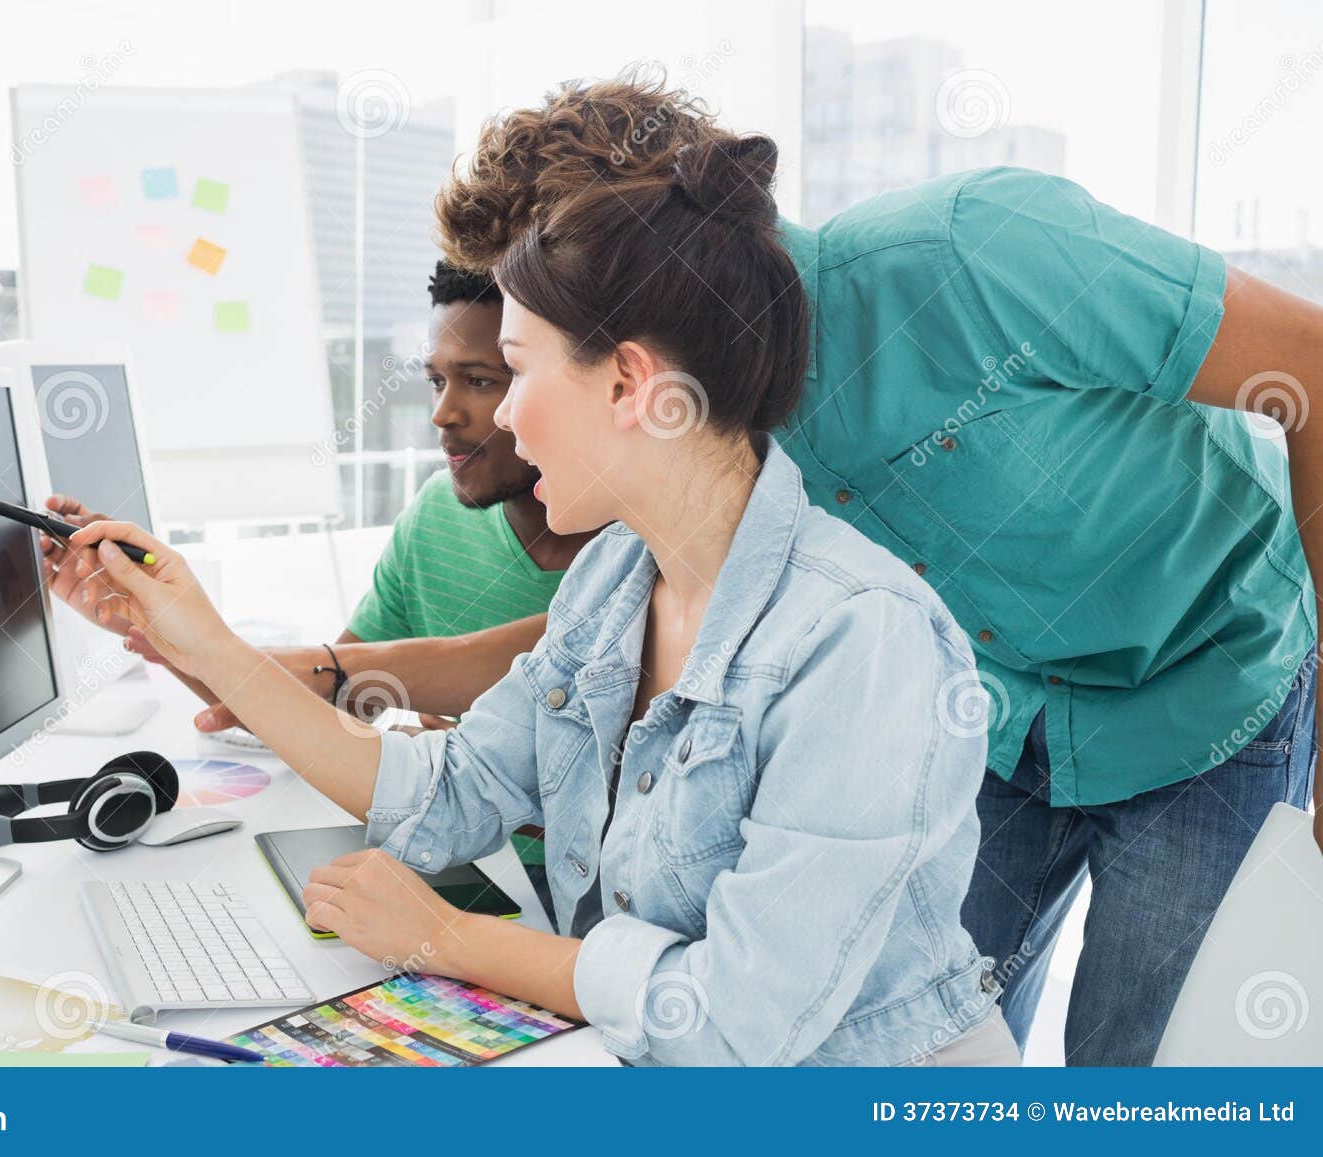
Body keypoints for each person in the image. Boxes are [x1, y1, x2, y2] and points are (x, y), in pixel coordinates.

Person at [284, 72, 1320, 1067]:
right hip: (996, 712)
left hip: (1212, 684)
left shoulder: (981, 251)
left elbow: (1308, 370)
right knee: (897, 1026)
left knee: (1142, 1079)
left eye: (556, 306)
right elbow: (600, 643)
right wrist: (339, 669)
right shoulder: (703, 434)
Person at [64, 133, 1019, 1066]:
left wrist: (448, 939)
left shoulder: (861, 639)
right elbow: (449, 790)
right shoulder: (614, 580)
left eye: (516, 369)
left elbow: (730, 1026)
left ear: (631, 384)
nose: (505, 413)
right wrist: (201, 635)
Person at [41, 261, 596, 922]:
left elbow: (328, 682)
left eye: (481, 380)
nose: (444, 413)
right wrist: (145, 615)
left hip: (558, 907)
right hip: (447, 865)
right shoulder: (434, 519)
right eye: (436, 381)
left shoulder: (637, 564)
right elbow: (309, 712)